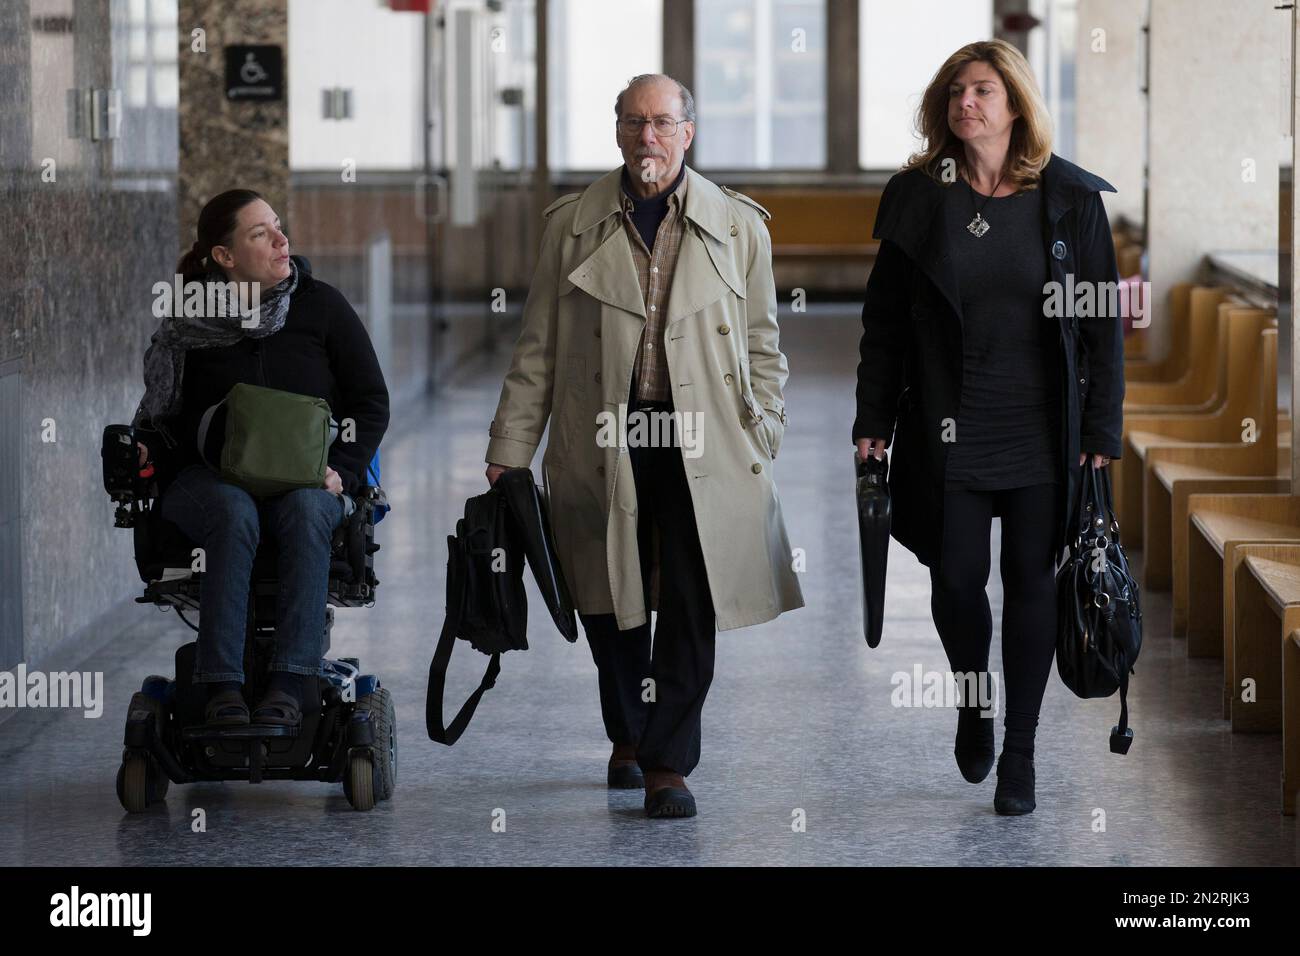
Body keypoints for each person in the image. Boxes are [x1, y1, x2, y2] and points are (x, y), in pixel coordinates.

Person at [485, 73, 803, 818]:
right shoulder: (571, 224)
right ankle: (628, 734)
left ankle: (667, 763)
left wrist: (767, 426)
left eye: (662, 123)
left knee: (693, 597)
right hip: (603, 431)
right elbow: (538, 345)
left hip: (706, 436)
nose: (647, 137)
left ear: (688, 133)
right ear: (618, 131)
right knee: (608, 593)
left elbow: (763, 340)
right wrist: (512, 443)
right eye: (634, 122)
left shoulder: (738, 225)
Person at [852, 40, 1124, 815]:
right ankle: (976, 699)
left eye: (983, 90)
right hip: (948, 421)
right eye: (956, 93)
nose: (966, 103)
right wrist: (873, 417)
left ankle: (1022, 754)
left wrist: (1101, 425)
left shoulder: (1068, 197)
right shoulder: (919, 196)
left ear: (1015, 104)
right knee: (956, 581)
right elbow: (884, 323)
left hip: (1044, 429)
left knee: (1030, 583)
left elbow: (1101, 325)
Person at [132, 189, 389, 728]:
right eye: (260, 234)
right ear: (225, 258)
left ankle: (292, 682)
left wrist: (340, 471)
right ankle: (220, 687)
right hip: (209, 480)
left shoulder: (321, 306)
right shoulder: (189, 323)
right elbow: (161, 420)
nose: (281, 239)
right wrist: (143, 450)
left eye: (278, 226)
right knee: (232, 512)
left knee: (306, 510)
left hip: (310, 477)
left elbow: (370, 401)